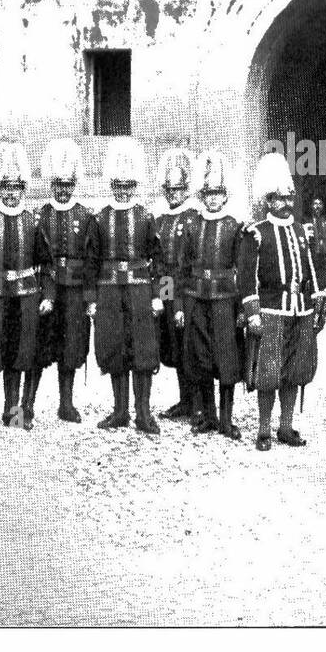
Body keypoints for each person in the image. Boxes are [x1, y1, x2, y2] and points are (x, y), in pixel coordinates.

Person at [238, 152, 325, 451]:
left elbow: (311, 270)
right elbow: (246, 278)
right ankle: (264, 430)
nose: (285, 204)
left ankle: (285, 426)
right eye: (278, 198)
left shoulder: (301, 230)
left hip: (300, 310)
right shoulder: (256, 233)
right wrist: (252, 313)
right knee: (268, 373)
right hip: (271, 311)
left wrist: (316, 305)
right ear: (267, 200)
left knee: (295, 370)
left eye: (289, 198)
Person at [0, 142, 52, 434]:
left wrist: (48, 296)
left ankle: (13, 414)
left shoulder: (33, 221)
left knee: (19, 355)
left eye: (16, 187)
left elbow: (47, 263)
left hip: (26, 296)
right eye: (5, 186)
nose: (11, 192)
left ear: (23, 188)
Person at [89, 138, 163, 435]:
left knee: (143, 351)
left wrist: (160, 296)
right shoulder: (100, 217)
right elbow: (91, 263)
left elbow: (159, 262)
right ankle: (120, 411)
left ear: (136, 185)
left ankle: (143, 413)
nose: (123, 191)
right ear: (111, 185)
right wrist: (90, 299)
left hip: (140, 292)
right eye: (118, 185)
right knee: (114, 348)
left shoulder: (147, 217)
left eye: (128, 185)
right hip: (108, 292)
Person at [174, 150, 247, 439]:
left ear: (225, 195)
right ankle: (208, 416)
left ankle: (227, 419)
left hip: (226, 301)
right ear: (202, 195)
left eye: (218, 193)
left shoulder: (235, 226)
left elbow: (243, 270)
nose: (213, 198)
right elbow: (180, 269)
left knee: (226, 358)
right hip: (195, 298)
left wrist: (243, 308)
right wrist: (178, 305)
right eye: (208, 193)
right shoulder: (191, 225)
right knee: (201, 357)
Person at [28, 139, 97, 428]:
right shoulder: (40, 215)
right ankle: (25, 407)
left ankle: (66, 404)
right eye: (58, 183)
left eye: (68, 183)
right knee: (37, 347)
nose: (63, 189)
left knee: (72, 346)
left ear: (75, 183)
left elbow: (93, 261)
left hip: (76, 292)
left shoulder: (86, 215)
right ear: (51, 183)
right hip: (46, 288)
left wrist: (91, 297)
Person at [152, 147, 199, 423]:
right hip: (169, 285)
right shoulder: (160, 220)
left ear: (186, 189)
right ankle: (184, 399)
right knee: (174, 341)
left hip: (189, 287)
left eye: (178, 189)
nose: (174, 194)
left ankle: (197, 402)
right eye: (169, 189)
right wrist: (162, 296)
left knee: (191, 344)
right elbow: (159, 263)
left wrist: (181, 298)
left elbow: (191, 262)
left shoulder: (193, 217)